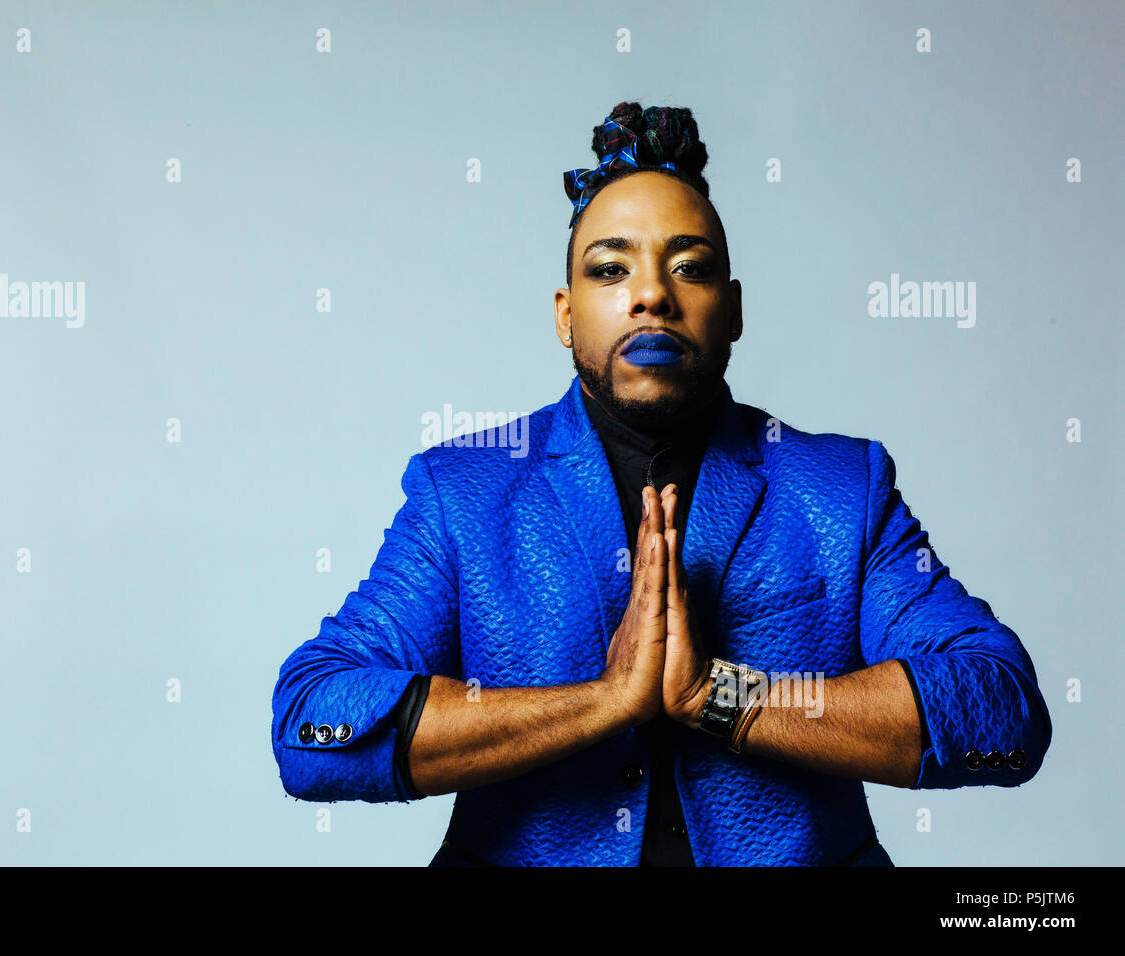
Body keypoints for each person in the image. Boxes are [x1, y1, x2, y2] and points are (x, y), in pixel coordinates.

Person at [270, 101, 1053, 866]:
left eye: (691, 267)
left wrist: (721, 696)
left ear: (733, 309)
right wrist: (604, 702)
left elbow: (1003, 711)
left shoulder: (842, 488)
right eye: (611, 269)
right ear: (565, 314)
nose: (651, 293)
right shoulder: (461, 494)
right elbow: (311, 726)